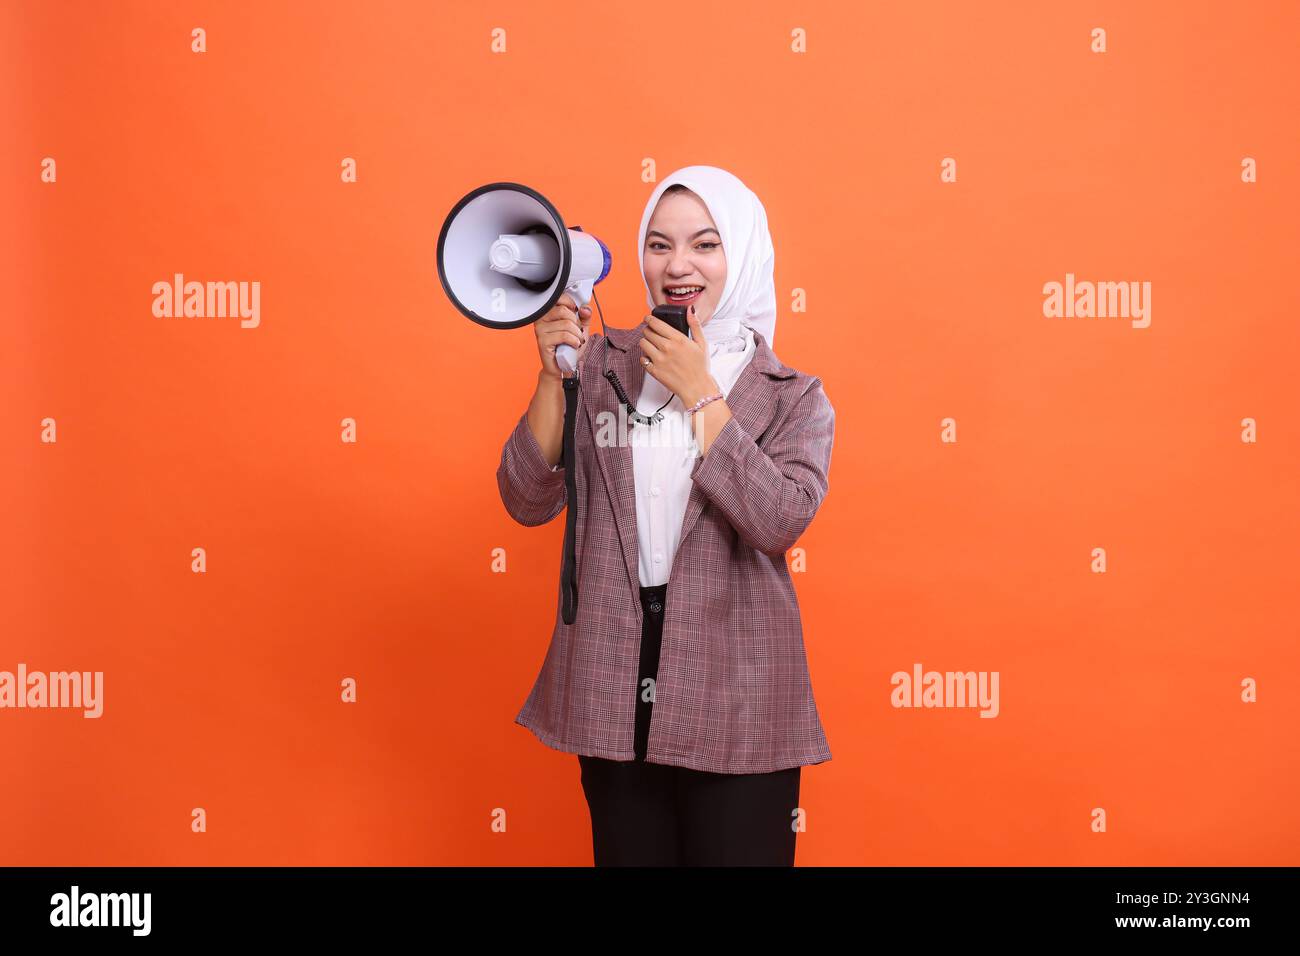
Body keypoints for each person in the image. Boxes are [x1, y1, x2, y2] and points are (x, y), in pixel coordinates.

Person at [496, 165, 835, 866]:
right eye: (659, 244)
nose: (678, 265)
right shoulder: (598, 366)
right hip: (614, 679)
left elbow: (779, 520)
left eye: (705, 245)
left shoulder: (793, 396)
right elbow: (525, 498)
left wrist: (701, 393)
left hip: (738, 691)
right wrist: (550, 372)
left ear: (740, 256)